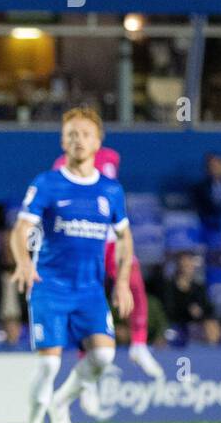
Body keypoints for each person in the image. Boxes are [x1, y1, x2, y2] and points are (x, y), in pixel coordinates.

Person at [11, 107, 134, 423]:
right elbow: (20, 229)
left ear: (98, 142)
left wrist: (122, 282)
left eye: (84, 134)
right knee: (50, 364)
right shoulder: (47, 183)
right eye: (71, 134)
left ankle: (61, 403)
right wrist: (23, 262)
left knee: (104, 357)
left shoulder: (110, 191)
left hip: (90, 290)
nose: (77, 139)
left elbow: (124, 239)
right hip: (49, 285)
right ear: (62, 140)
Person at [52, 144, 163, 381]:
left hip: (112, 237)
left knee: (135, 285)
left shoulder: (111, 156)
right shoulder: (61, 165)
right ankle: (84, 363)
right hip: (86, 241)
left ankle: (139, 345)